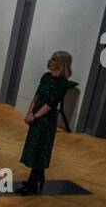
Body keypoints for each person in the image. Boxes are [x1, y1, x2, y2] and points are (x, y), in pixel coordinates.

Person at [15, 51, 73, 194]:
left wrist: (35, 116)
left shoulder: (62, 83)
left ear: (60, 64)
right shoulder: (46, 77)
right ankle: (38, 177)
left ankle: (32, 184)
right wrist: (29, 113)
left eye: (53, 59)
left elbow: (50, 104)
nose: (49, 61)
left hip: (46, 120)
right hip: (36, 115)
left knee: (39, 149)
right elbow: (37, 96)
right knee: (34, 147)